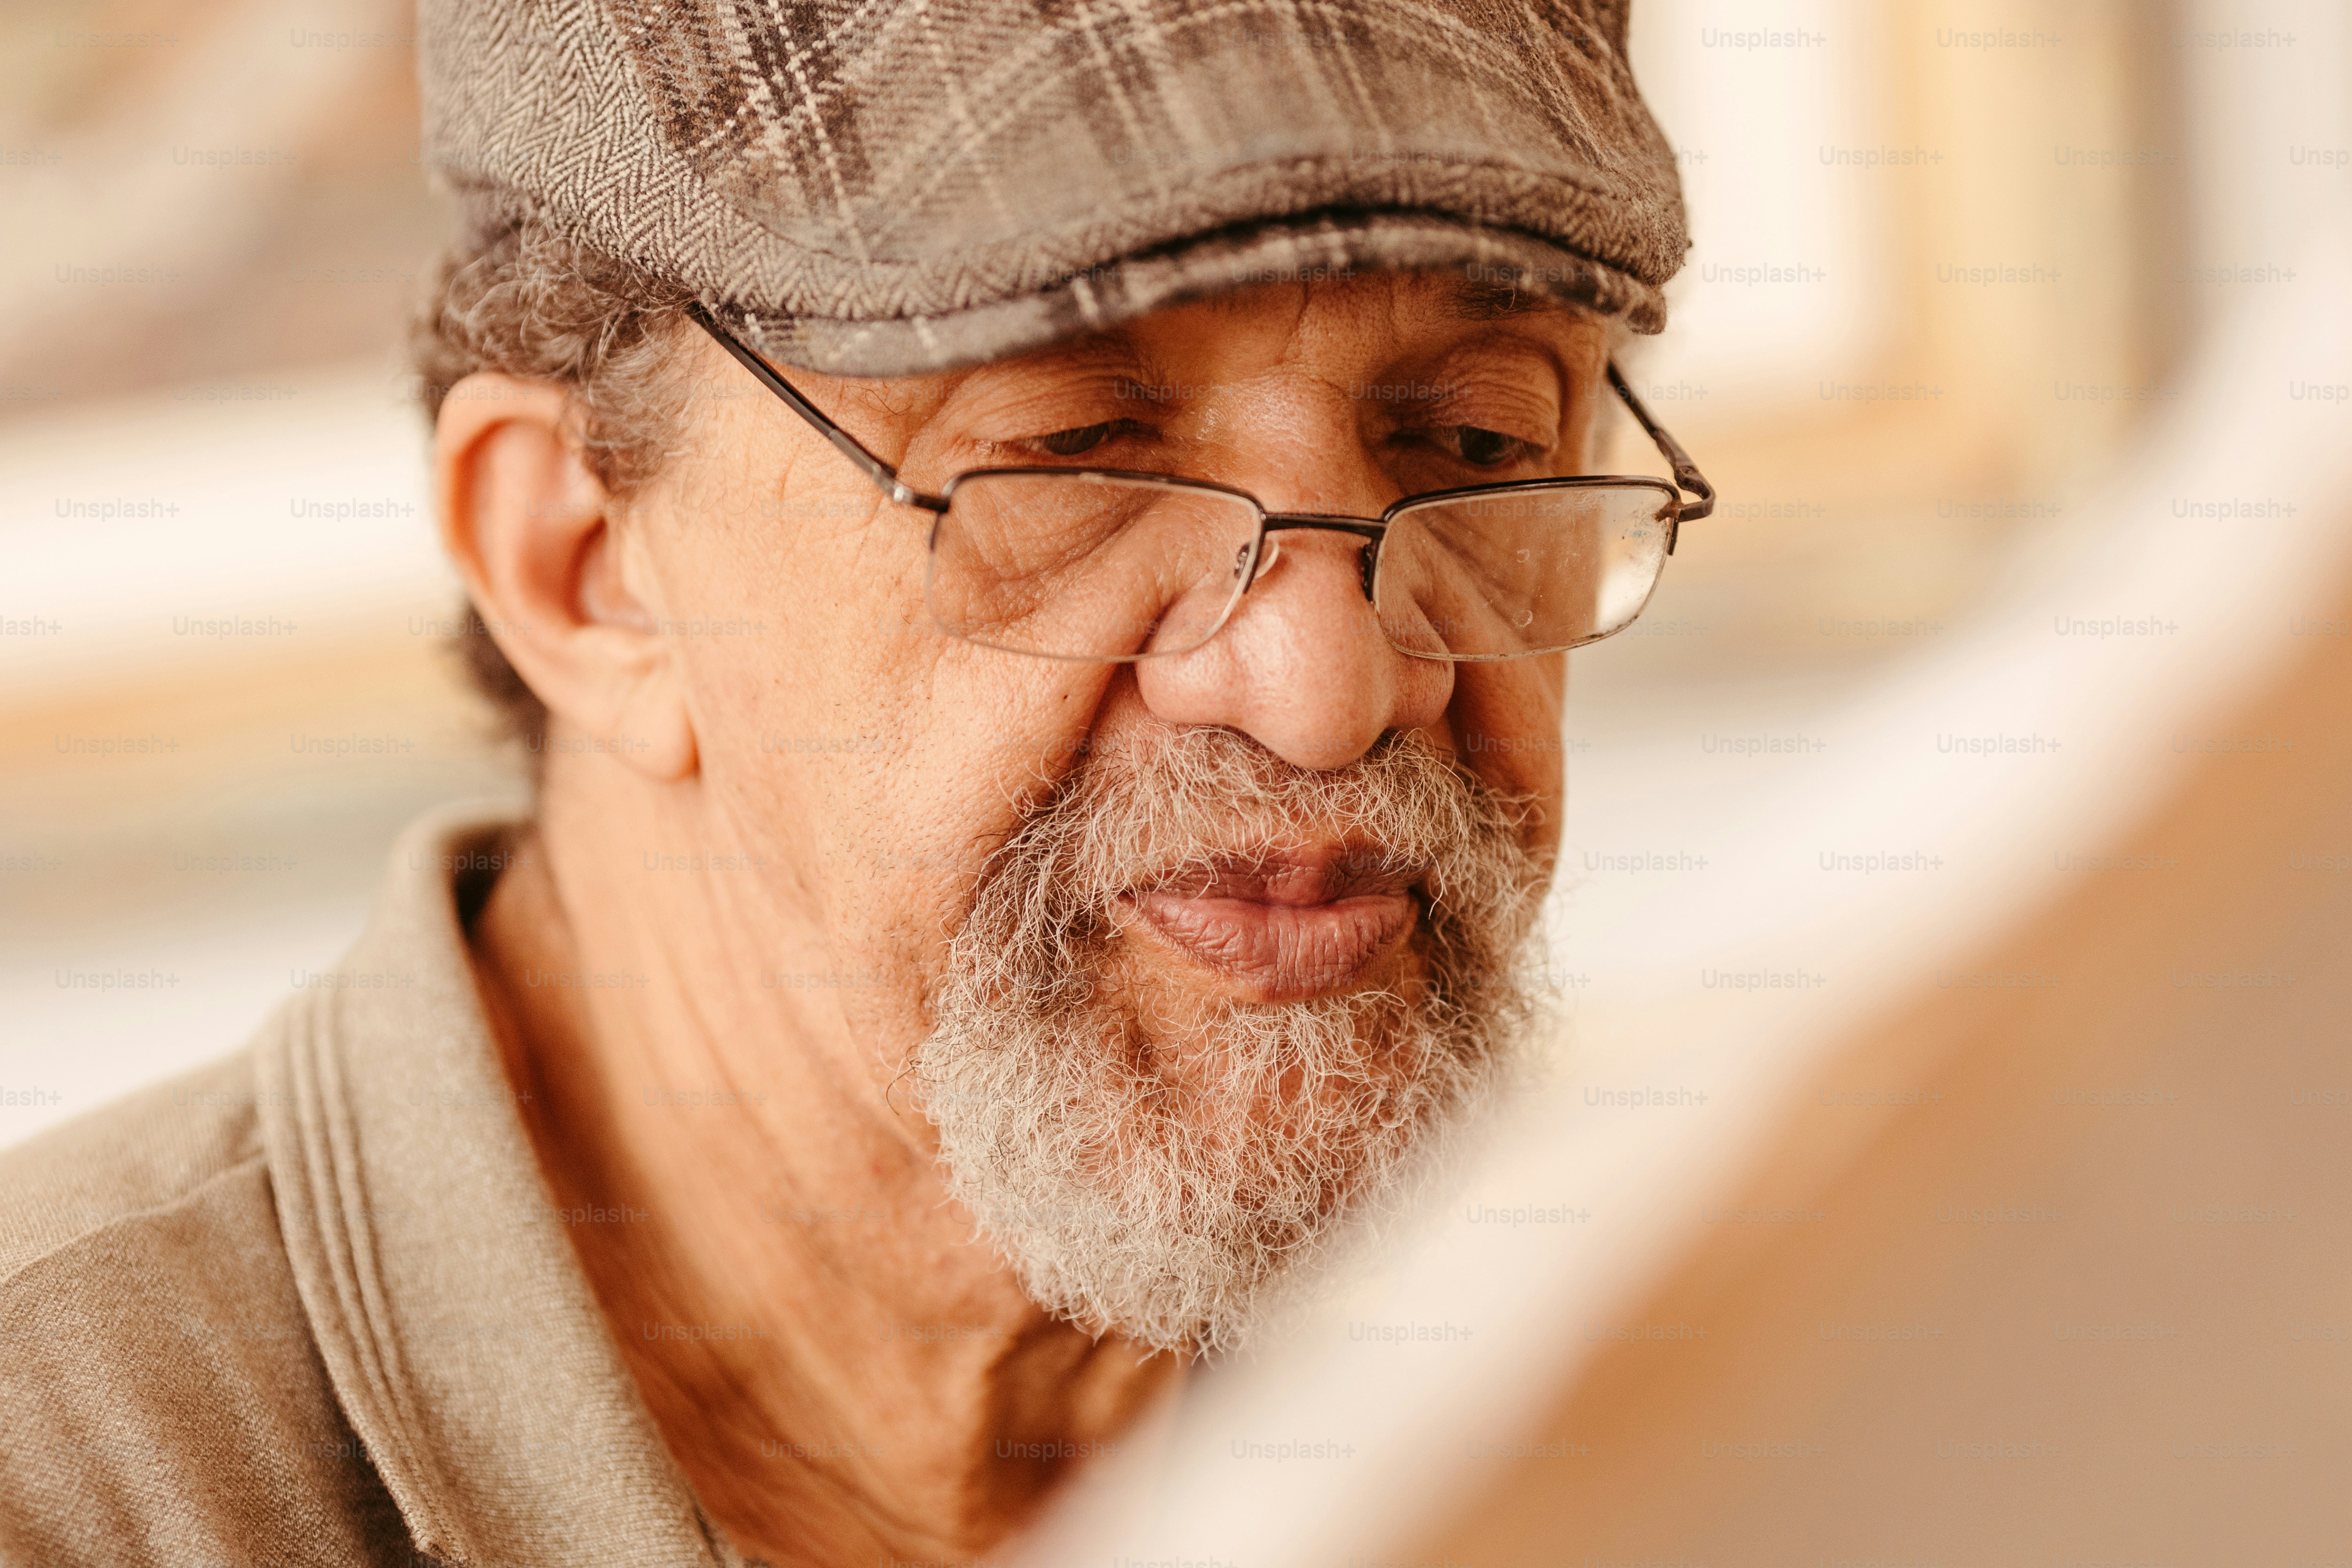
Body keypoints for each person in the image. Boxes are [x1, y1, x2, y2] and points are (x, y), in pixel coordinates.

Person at [0, 1, 1701, 1563]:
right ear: (581, 569)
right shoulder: (65, 1487)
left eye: (1477, 439)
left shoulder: (1698, 1344)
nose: (1332, 689)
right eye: (1070, 452)